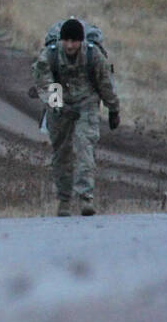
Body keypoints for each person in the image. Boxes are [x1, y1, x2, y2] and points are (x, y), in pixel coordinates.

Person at [29, 18, 120, 217]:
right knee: (61, 154)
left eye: (74, 41)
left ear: (81, 41)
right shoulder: (50, 55)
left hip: (86, 103)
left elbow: (105, 83)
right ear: (61, 40)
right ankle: (64, 200)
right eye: (66, 41)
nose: (70, 45)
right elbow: (43, 82)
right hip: (59, 106)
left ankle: (85, 198)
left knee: (84, 147)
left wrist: (113, 108)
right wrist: (58, 106)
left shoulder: (93, 55)